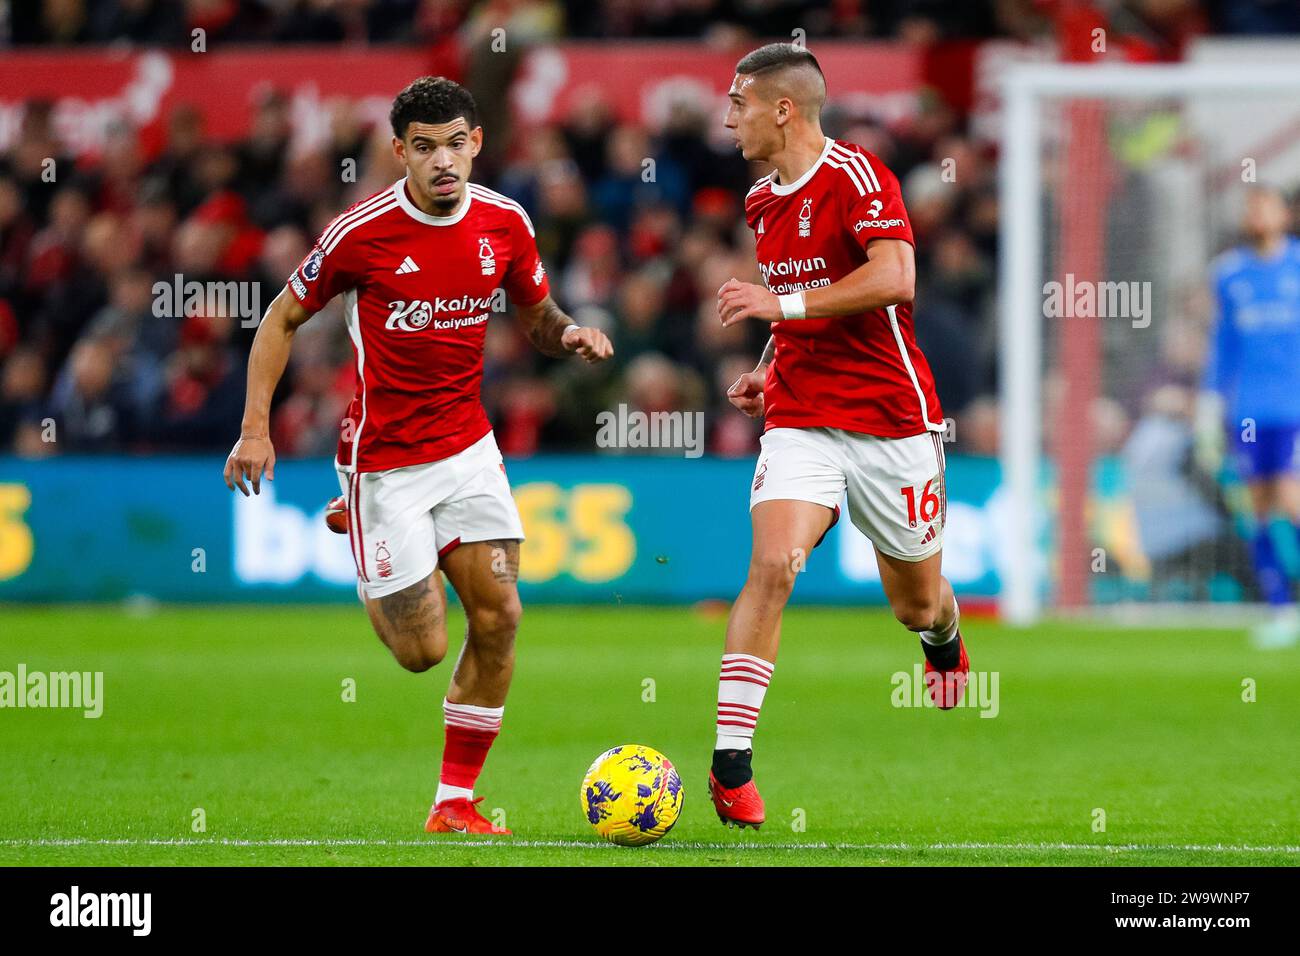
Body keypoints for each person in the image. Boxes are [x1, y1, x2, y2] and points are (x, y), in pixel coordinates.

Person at [223, 77, 613, 834]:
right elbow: (279, 320)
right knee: (423, 650)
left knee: (500, 617)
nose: (443, 160)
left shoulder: (506, 222)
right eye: (425, 147)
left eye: (456, 143)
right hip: (385, 461)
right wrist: (255, 428)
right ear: (400, 152)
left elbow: (537, 315)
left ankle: (454, 804)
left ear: (477, 143)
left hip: (468, 448)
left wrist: (567, 335)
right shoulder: (360, 234)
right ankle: (366, 529)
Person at [708, 43, 966, 828]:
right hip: (801, 414)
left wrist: (777, 311)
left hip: (891, 417)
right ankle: (731, 763)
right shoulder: (760, 200)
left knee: (915, 605)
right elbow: (790, 300)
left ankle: (944, 636)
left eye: (739, 101)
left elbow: (894, 278)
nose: (729, 115)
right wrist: (767, 360)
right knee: (776, 561)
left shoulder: (859, 177)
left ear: (782, 108)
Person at [1197, 185, 1300, 648]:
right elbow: (1225, 345)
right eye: (1252, 207)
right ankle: (1280, 610)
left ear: (1284, 214)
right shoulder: (1229, 274)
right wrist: (1210, 401)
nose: (1258, 215)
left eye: (1266, 206)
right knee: (1256, 508)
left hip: (1295, 408)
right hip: (1249, 411)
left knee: (1293, 498)